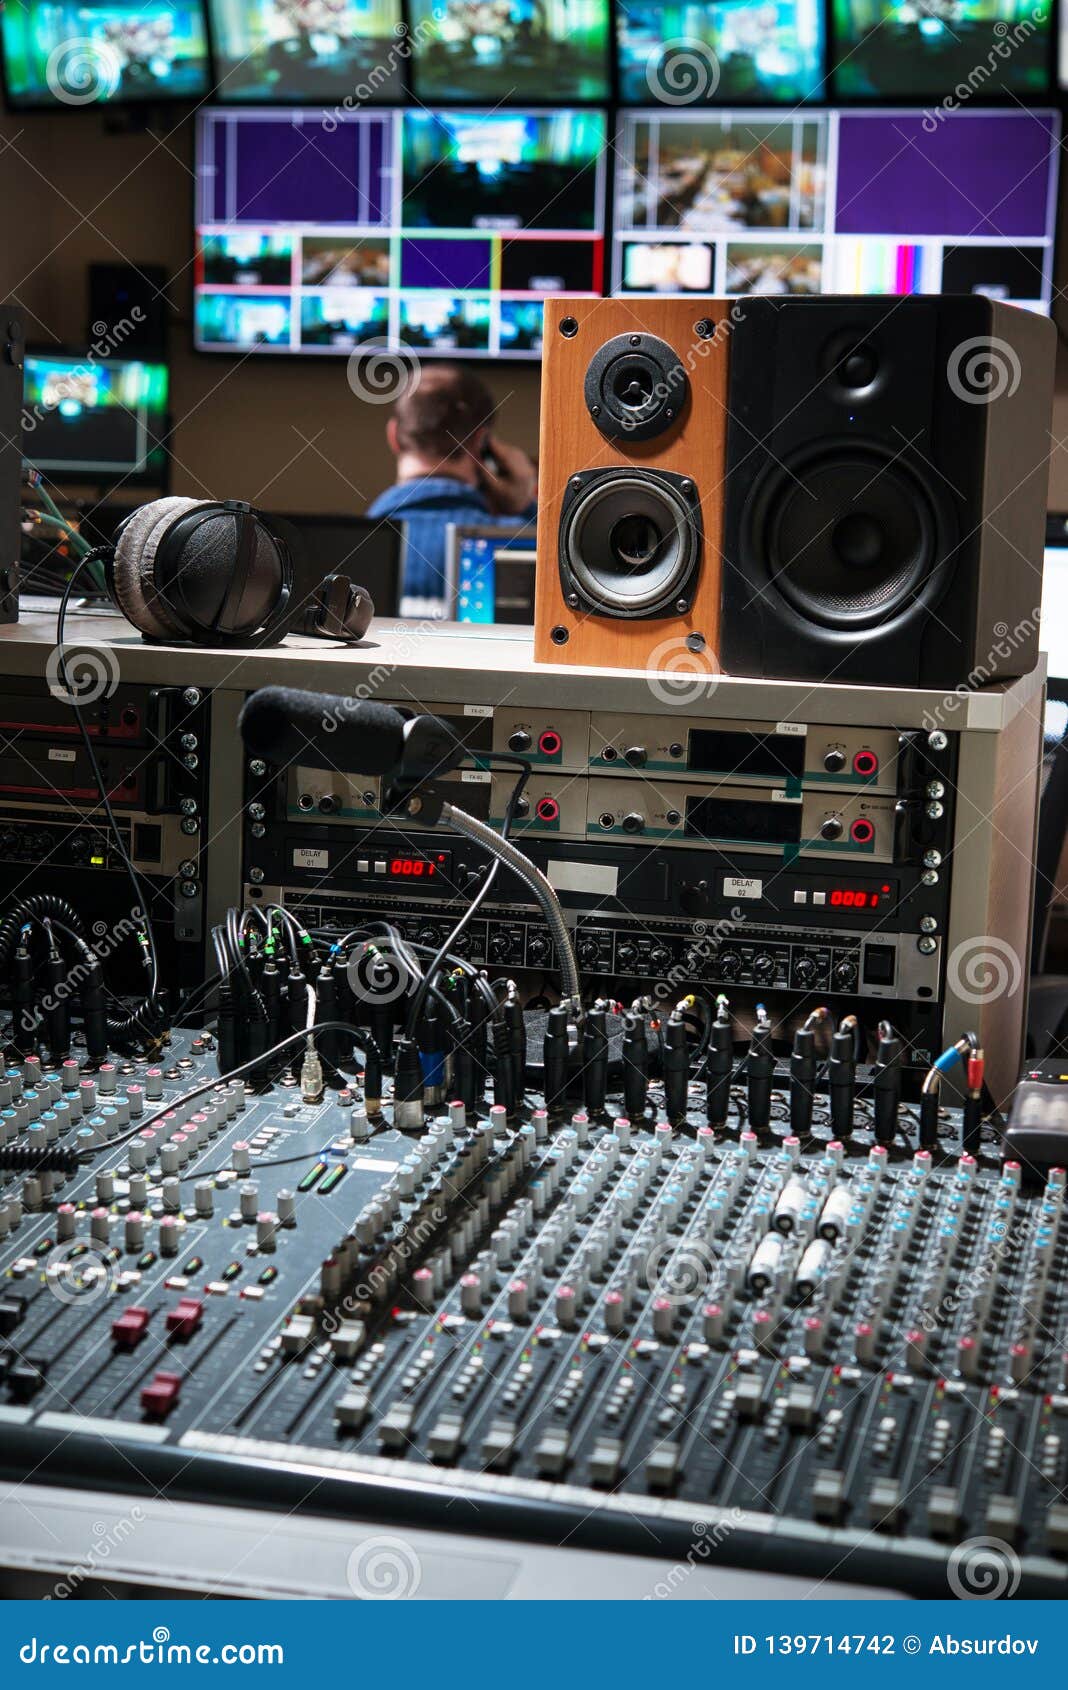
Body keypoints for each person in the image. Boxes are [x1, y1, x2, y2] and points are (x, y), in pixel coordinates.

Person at [366, 364, 537, 607]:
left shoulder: (359, 545)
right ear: (481, 442)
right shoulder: (520, 542)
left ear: (393, 436)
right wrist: (525, 506)